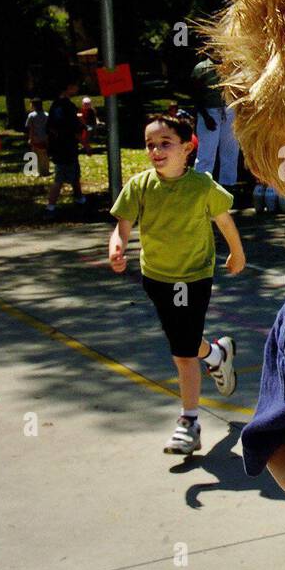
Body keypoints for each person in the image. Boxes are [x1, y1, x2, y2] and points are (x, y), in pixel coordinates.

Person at [108, 112, 247, 454]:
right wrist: (117, 246)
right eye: (150, 144)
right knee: (182, 340)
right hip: (155, 276)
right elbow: (123, 224)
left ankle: (189, 421)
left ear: (187, 148)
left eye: (165, 143)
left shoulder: (201, 186)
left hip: (193, 277)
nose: (156, 150)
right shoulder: (140, 185)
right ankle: (216, 354)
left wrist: (236, 253)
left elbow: (224, 221)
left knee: (182, 352)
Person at [190, 56, 240, 189]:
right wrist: (205, 116)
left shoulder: (231, 66)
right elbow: (196, 95)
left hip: (229, 110)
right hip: (210, 111)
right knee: (207, 151)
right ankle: (201, 185)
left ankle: (228, 185)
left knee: (230, 150)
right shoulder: (202, 68)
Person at [45, 77, 85, 220]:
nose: (77, 88)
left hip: (58, 147)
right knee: (60, 178)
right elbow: (75, 130)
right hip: (68, 147)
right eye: (75, 86)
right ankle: (50, 207)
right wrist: (86, 144)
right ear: (68, 87)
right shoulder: (69, 107)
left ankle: (80, 199)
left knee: (74, 175)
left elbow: (49, 128)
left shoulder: (54, 106)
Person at [25, 97, 50, 176]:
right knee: (45, 155)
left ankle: (38, 171)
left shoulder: (31, 116)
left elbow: (30, 128)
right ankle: (45, 170)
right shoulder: (47, 115)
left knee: (36, 155)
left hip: (36, 138)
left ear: (34, 106)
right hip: (45, 138)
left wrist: (30, 138)